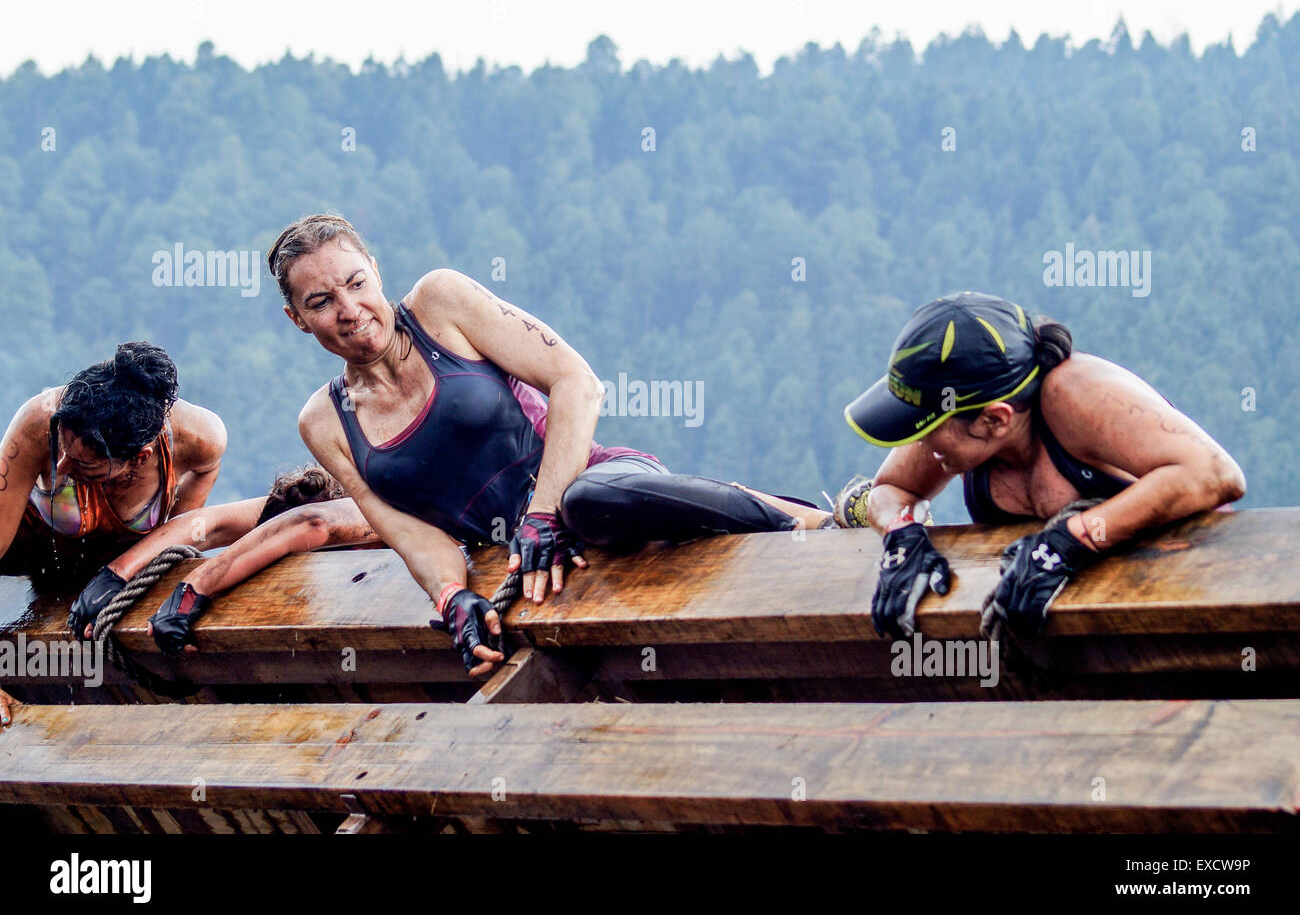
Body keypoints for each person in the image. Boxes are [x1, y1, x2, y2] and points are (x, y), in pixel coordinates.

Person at [271, 214, 829, 678]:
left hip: (599, 483)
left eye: (357, 282)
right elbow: (410, 533)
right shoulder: (324, 422)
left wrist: (543, 513)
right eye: (321, 301)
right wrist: (451, 599)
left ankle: (807, 524)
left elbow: (576, 383)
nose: (349, 309)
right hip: (522, 553)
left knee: (585, 503)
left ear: (377, 271)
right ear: (297, 318)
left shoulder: (440, 303)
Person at [836, 291, 1245, 639]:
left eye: (925, 429)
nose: (917, 442)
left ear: (995, 419)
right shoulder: (953, 420)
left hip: (1198, 606)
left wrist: (1072, 538)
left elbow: (1215, 474)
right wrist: (901, 532)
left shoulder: (1077, 395)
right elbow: (889, 492)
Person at [0, 341, 227, 724]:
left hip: (101, 576)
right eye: (62, 450)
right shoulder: (39, 423)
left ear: (139, 457)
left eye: (84, 464)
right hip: (21, 550)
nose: (62, 465)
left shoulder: (199, 439)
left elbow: (175, 539)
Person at [66, 464, 379, 654]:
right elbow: (208, 525)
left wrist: (192, 591)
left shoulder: (376, 510)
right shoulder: (296, 506)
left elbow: (312, 523)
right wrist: (116, 575)